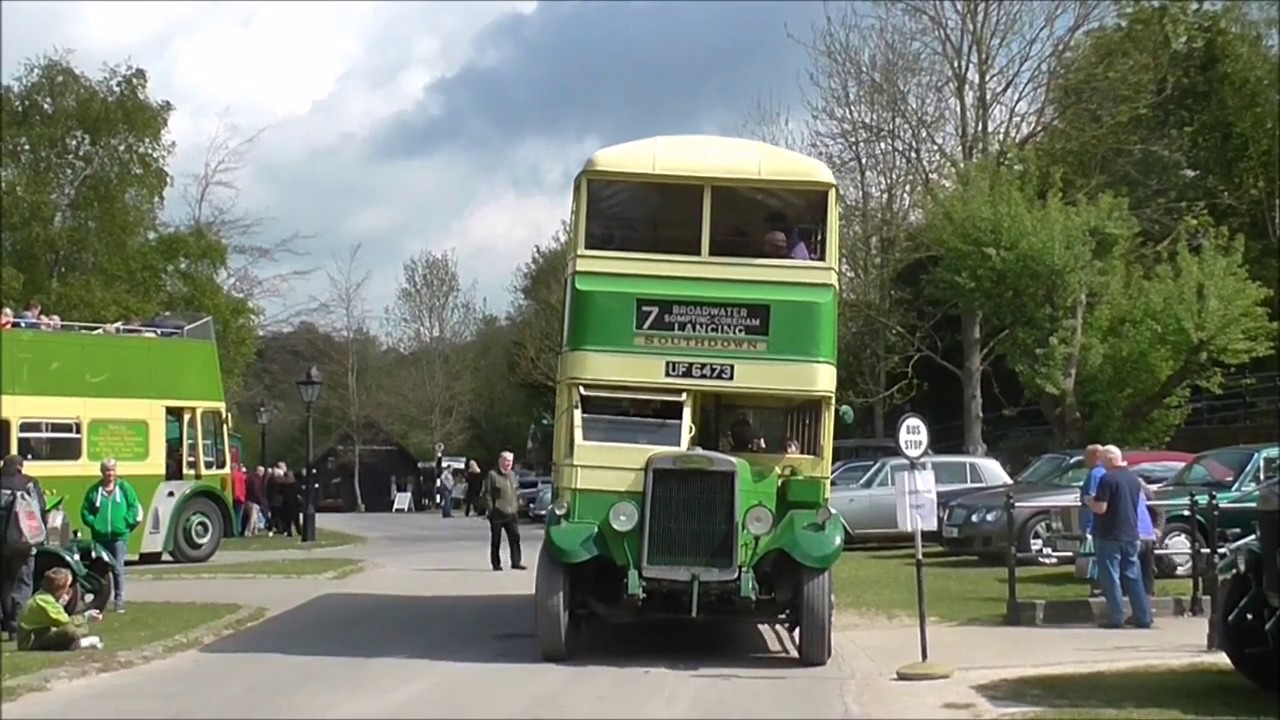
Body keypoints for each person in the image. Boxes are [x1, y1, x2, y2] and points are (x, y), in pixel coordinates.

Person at [1086, 445, 1153, 629]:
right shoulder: (1133, 478)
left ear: (1109, 459)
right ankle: (1143, 616)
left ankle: (1116, 616)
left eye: (1103, 460)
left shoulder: (1107, 479)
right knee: (1133, 575)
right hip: (1131, 533)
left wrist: (1090, 502)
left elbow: (1101, 508)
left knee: (1111, 576)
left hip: (1109, 533)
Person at [80, 458, 141, 614]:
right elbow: (85, 511)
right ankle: (99, 603)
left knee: (118, 569)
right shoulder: (95, 490)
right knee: (100, 572)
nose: (110, 474)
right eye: (107, 470)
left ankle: (119, 602)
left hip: (119, 537)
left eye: (112, 470)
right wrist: (94, 523)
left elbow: (135, 508)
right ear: (102, 472)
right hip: (100, 537)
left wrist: (126, 522)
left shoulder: (125, 488)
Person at [1, 454, 45, 642]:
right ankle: (17, 626)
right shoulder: (29, 483)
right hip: (21, 542)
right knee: (23, 583)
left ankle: (5, 621)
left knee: (4, 583)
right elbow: (40, 508)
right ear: (20, 467)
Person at [17, 567, 104, 651]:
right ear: (60, 589)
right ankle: (77, 643)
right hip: (31, 641)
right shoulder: (44, 601)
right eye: (67, 587)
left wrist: (60, 603)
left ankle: (74, 643)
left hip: (39, 634)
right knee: (69, 630)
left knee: (73, 627)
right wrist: (85, 616)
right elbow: (65, 621)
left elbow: (56, 620)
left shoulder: (42, 596)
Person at [481, 451, 524, 571]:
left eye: (510, 461)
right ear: (500, 461)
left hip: (512, 512)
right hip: (497, 513)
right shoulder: (492, 475)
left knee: (515, 537)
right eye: (506, 461)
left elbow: (516, 492)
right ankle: (496, 564)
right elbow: (487, 493)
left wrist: (517, 505)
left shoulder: (513, 475)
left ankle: (516, 562)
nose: (509, 464)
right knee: (496, 540)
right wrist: (490, 509)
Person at [1078, 444, 1106, 598]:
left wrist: (1088, 527)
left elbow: (1091, 500)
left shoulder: (1095, 474)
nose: (1084, 460)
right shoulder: (1105, 472)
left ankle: (1098, 589)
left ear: (1095, 456)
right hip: (1103, 524)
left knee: (1095, 559)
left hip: (1094, 523)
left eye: (1086, 456)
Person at [231, 464, 247, 536]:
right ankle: (237, 531)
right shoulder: (239, 475)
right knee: (238, 516)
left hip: (233, 497)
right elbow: (241, 486)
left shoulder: (230, 475)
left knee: (234, 514)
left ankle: (234, 530)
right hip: (240, 497)